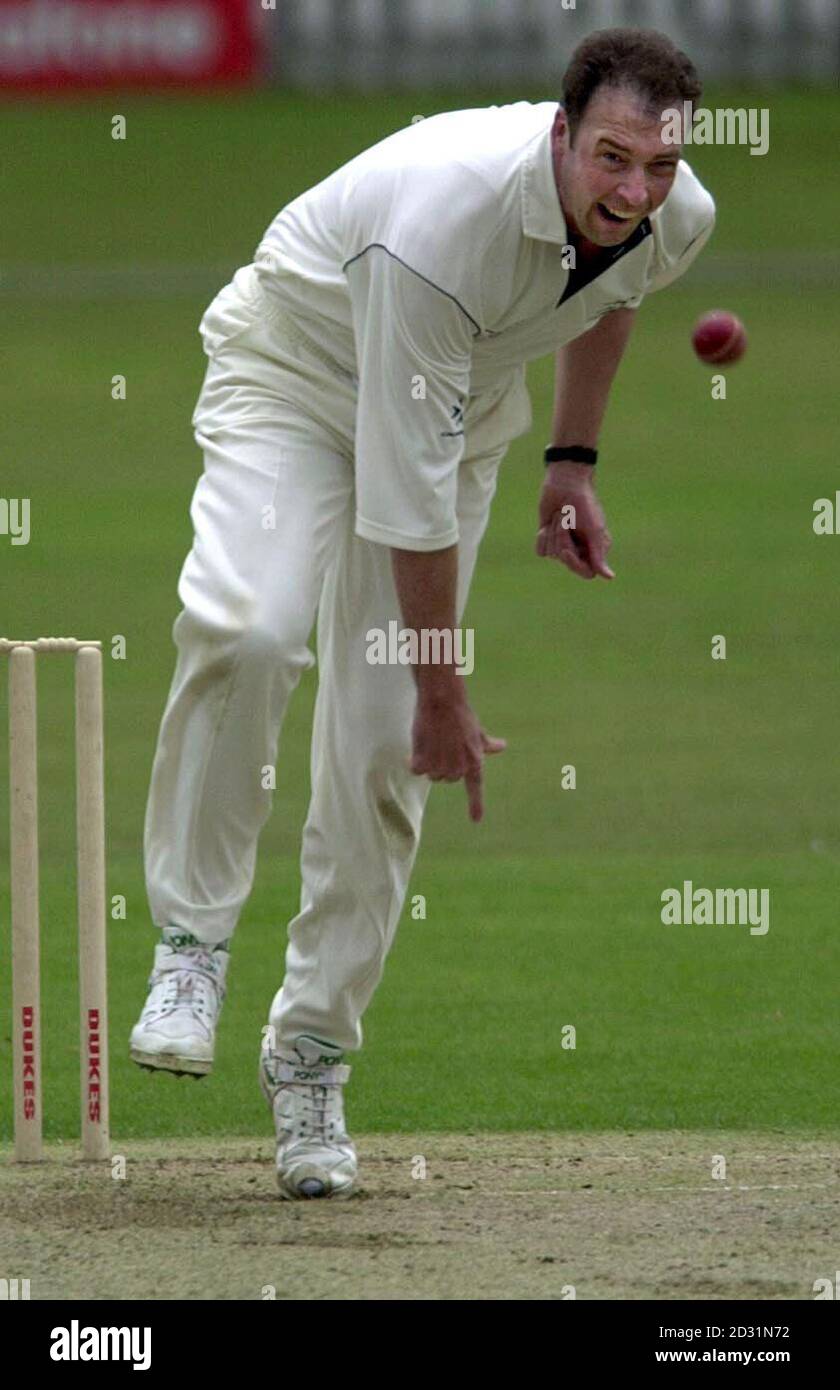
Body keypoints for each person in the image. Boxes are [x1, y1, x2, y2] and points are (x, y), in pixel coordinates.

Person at [129, 27, 715, 1199]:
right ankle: (191, 947)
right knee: (250, 626)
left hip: (454, 409)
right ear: (559, 136)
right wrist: (447, 691)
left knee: (382, 752)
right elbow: (407, 516)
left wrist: (572, 460)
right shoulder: (445, 228)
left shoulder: (673, 208)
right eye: (610, 159)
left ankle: (310, 1059)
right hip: (294, 378)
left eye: (654, 166)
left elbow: (616, 291)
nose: (633, 190)